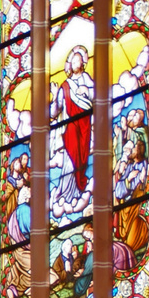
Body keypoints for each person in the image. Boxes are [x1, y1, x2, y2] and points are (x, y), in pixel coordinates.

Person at [52, 45, 95, 193]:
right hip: (70, 124)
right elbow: (55, 109)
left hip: (84, 123)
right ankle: (67, 189)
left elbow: (97, 96)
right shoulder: (65, 85)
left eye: (78, 60)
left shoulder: (86, 79)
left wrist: (87, 90)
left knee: (82, 155)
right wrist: (54, 94)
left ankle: (80, 184)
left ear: (83, 63)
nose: (76, 63)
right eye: (73, 61)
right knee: (71, 155)